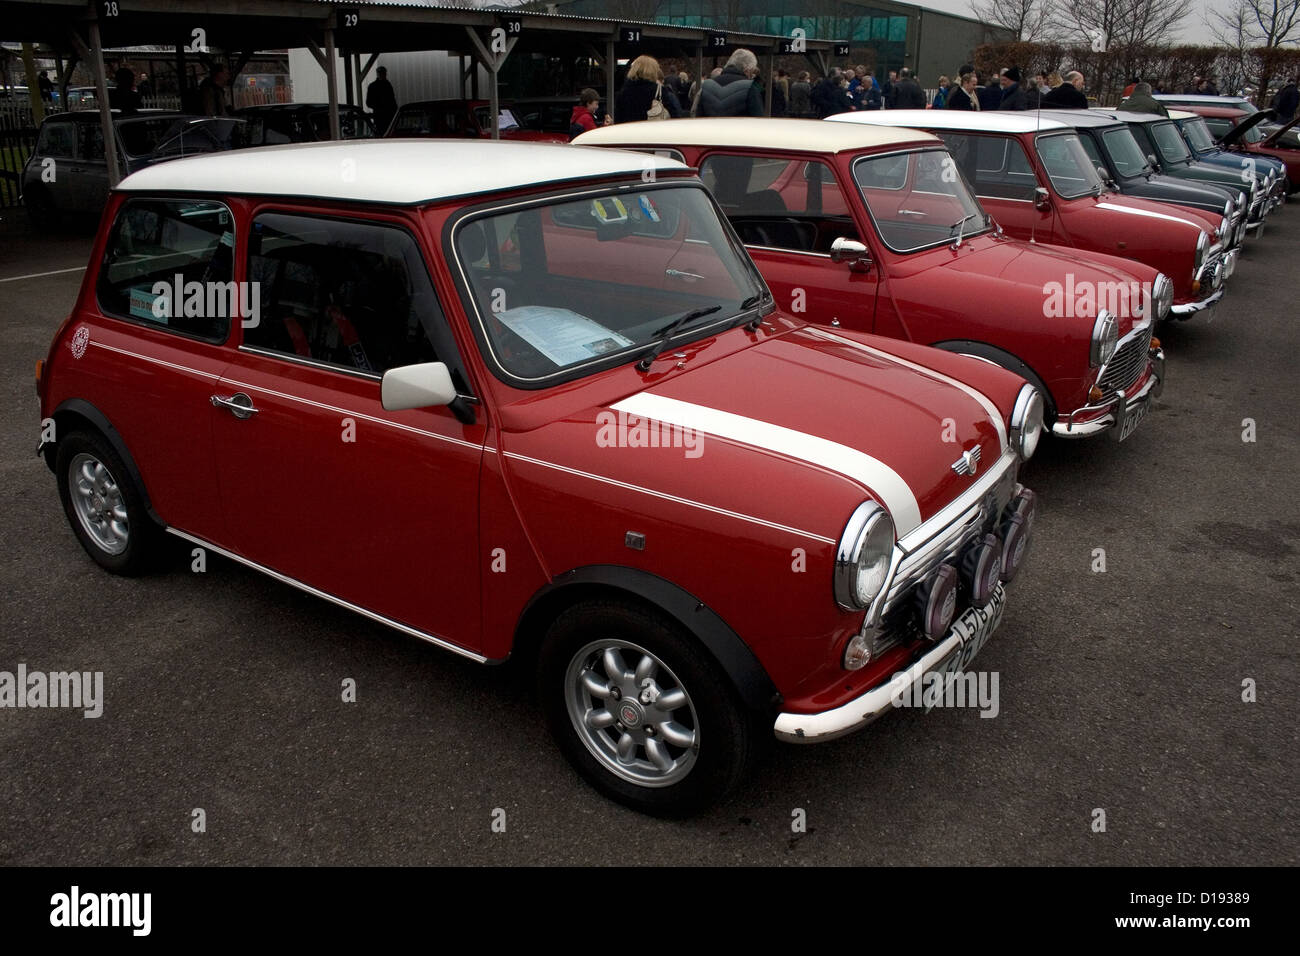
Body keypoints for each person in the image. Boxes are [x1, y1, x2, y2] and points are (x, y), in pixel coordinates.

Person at [697, 48, 764, 117]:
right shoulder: (750, 88)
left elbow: (697, 116)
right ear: (747, 70)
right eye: (752, 72)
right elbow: (758, 121)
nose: (752, 76)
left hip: (710, 127)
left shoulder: (706, 86)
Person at [615, 54, 682, 123]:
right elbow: (674, 114)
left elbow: (618, 119)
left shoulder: (623, 93)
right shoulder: (659, 91)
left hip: (629, 131)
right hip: (652, 131)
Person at [366, 65, 398, 135]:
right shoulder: (388, 85)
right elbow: (392, 101)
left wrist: (377, 107)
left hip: (379, 117)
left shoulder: (372, 86)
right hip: (388, 117)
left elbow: (368, 103)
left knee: (380, 134)